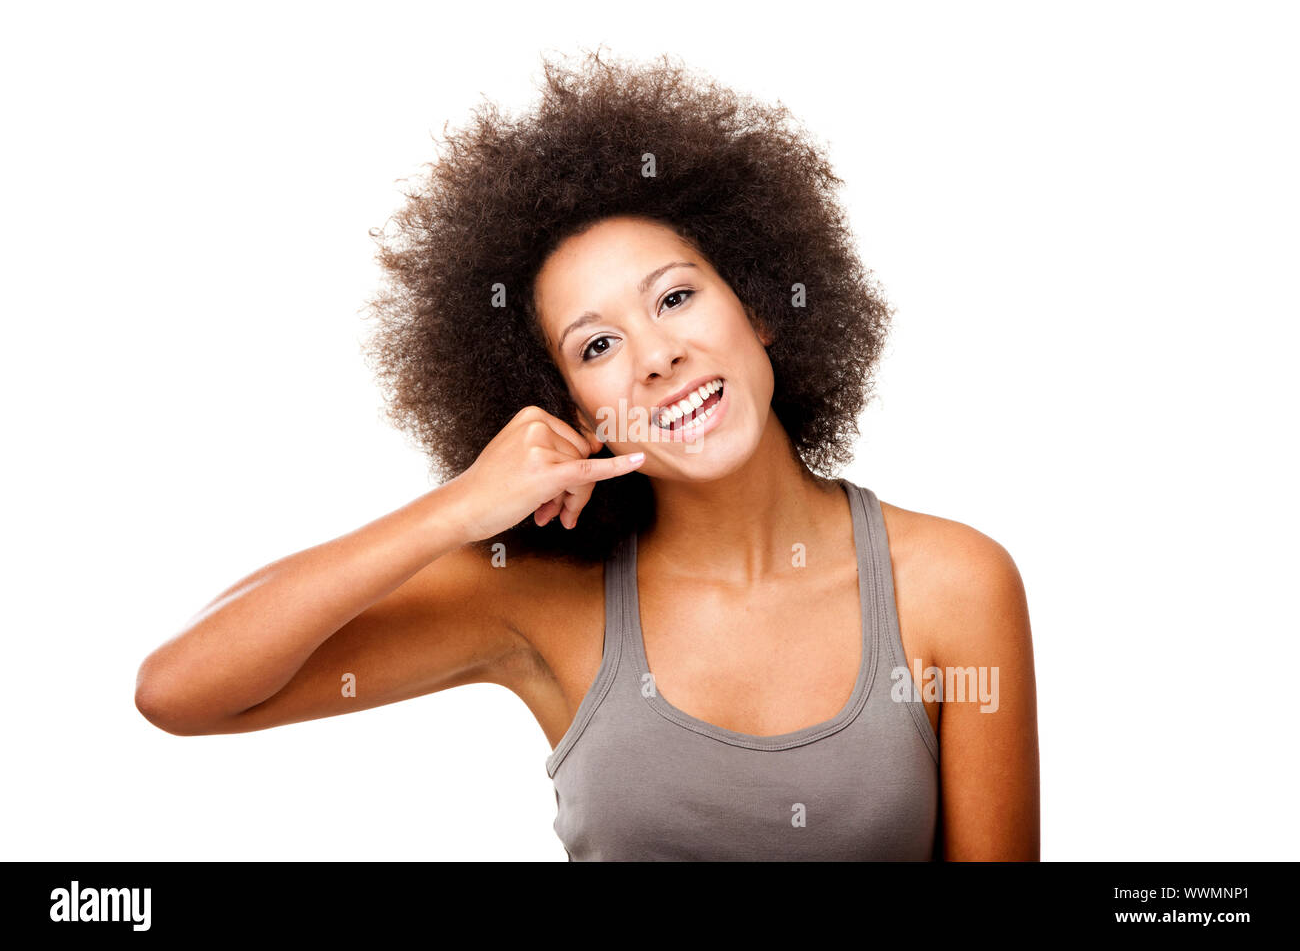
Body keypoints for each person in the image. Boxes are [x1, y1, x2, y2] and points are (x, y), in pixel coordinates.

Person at [134, 48, 1039, 860]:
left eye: (676, 298)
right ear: (573, 411)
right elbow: (181, 691)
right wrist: (457, 507)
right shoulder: (539, 598)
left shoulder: (952, 583)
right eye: (596, 347)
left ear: (758, 305)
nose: (654, 356)